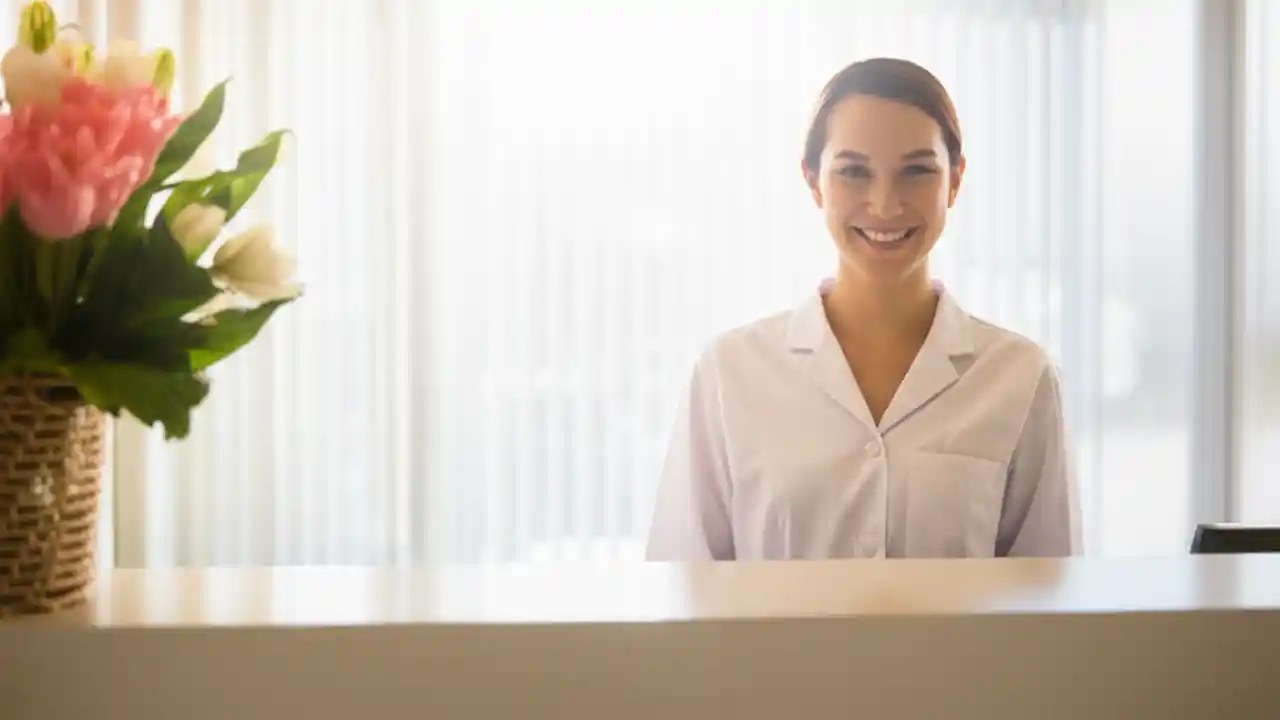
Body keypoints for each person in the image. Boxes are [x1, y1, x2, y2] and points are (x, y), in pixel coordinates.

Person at [646, 58, 1082, 561]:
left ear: (955, 181)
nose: (884, 204)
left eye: (916, 171)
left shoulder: (1020, 377)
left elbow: (1050, 605)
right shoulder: (730, 373)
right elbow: (681, 587)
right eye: (853, 172)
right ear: (813, 181)